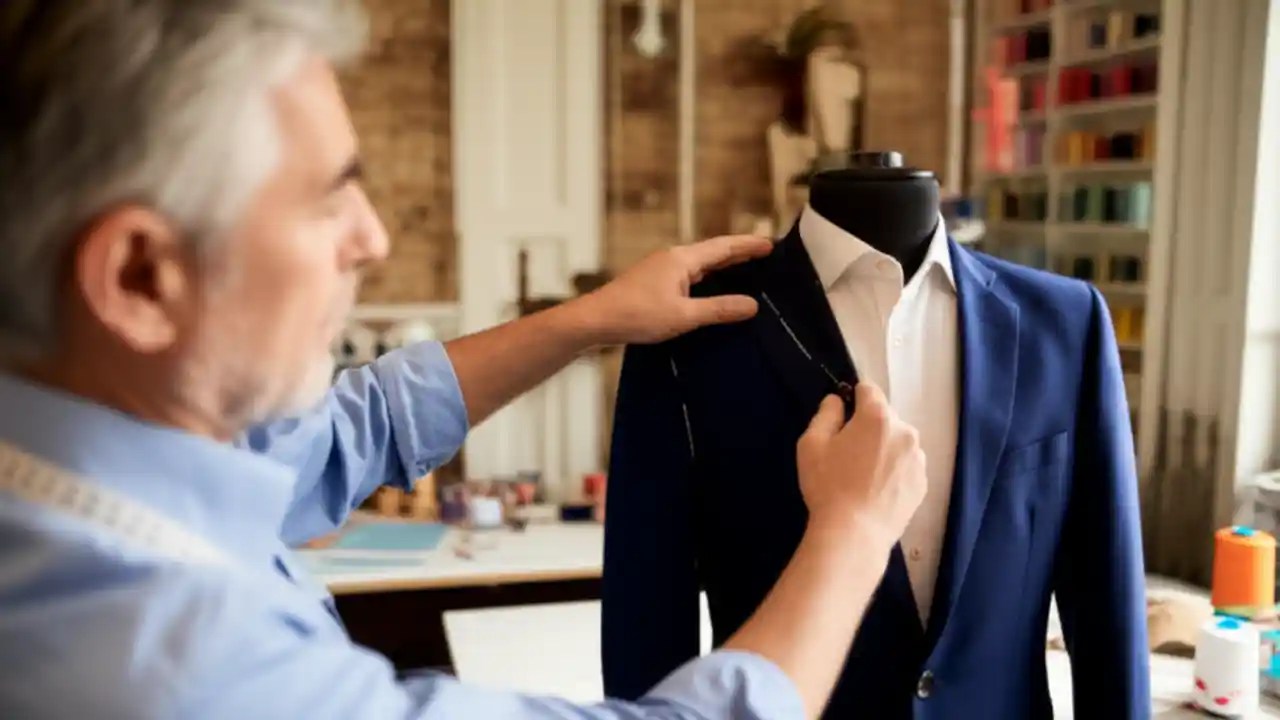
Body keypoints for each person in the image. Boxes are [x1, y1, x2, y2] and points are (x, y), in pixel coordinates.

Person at [0, 2, 928, 718]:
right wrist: (851, 536)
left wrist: (585, 320)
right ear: (136, 276)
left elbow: (341, 434)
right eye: (328, 201)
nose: (371, 241)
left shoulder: (75, 452)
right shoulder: (163, 663)